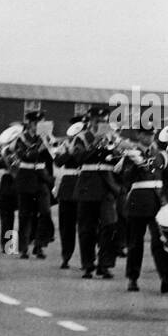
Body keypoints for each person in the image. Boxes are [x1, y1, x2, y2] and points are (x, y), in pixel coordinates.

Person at [120, 127, 168, 293]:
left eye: (151, 134)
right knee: (135, 243)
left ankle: (166, 277)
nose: (149, 137)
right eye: (145, 134)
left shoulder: (161, 155)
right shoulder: (131, 154)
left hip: (157, 202)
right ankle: (132, 278)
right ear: (138, 135)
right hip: (137, 202)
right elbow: (124, 179)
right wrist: (136, 166)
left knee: (160, 241)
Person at [72, 107, 120, 278]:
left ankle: (105, 264)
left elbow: (118, 158)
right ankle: (88, 264)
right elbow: (77, 158)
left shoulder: (112, 137)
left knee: (110, 225)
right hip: (87, 186)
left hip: (106, 185)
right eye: (96, 120)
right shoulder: (81, 137)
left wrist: (114, 148)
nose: (100, 123)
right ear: (90, 120)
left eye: (103, 120)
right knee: (86, 229)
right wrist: (95, 145)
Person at [13, 110, 54, 259]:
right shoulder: (21, 139)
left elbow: (53, 157)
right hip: (26, 179)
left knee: (45, 212)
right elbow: (24, 155)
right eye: (36, 123)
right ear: (30, 124)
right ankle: (24, 248)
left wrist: (50, 145)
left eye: (41, 123)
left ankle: (39, 245)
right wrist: (40, 148)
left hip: (41, 179)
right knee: (25, 215)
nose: (38, 126)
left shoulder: (45, 138)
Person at [52, 115, 85, 268]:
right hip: (67, 187)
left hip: (84, 185)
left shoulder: (88, 143)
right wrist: (69, 152)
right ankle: (66, 256)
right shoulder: (65, 144)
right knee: (66, 225)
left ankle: (87, 260)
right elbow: (58, 162)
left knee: (86, 226)